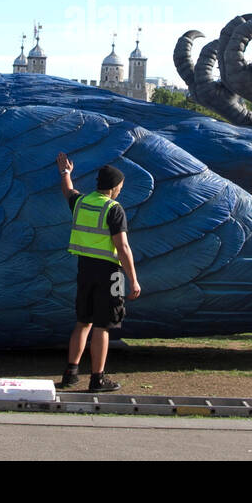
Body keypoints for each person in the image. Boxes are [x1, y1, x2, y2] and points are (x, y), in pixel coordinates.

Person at [56, 152, 140, 392]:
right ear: (113, 187)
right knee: (102, 326)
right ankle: (97, 378)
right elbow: (123, 247)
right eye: (120, 186)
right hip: (109, 272)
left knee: (83, 322)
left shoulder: (82, 202)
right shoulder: (113, 209)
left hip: (85, 269)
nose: (121, 190)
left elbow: (68, 191)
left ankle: (70, 373)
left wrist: (66, 173)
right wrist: (133, 279)